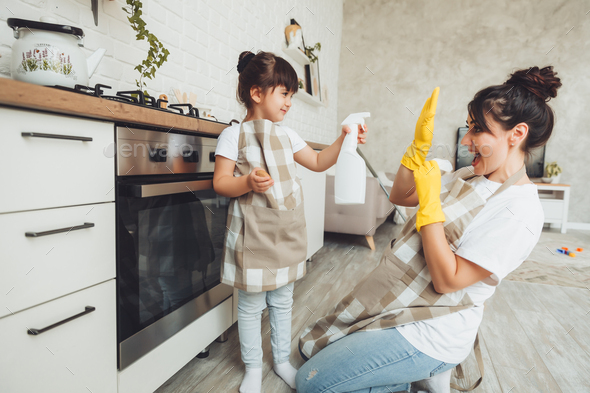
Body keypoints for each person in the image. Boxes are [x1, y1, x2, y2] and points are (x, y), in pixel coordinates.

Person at [296, 66, 561, 393]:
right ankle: (413, 379)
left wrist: (431, 208)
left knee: (313, 384)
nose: (465, 140)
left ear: (516, 134)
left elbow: (448, 279)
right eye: (468, 127)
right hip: (402, 306)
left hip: (434, 332)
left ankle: (418, 377)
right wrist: (415, 151)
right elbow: (401, 195)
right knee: (311, 359)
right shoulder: (469, 177)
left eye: (477, 130)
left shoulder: (519, 210)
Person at [213, 50, 368, 393]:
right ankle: (253, 368)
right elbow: (221, 182)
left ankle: (281, 360)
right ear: (257, 93)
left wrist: (344, 139)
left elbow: (316, 161)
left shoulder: (288, 135)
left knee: (282, 302)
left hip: (285, 234)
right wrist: (247, 183)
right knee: (251, 306)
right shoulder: (233, 136)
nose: (289, 103)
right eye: (284, 94)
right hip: (252, 238)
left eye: (292, 96)